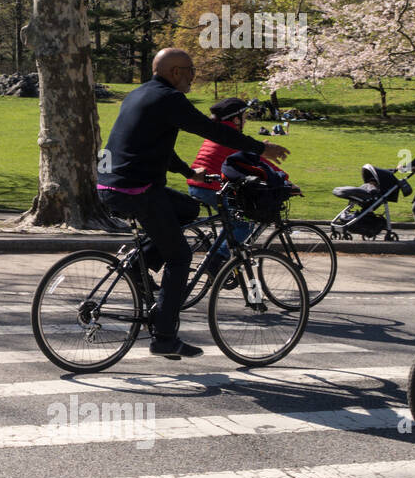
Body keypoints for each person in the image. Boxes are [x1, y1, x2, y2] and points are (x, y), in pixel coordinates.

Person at [97, 49, 289, 359]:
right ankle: (164, 336)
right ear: (174, 72)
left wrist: (189, 171)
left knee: (188, 209)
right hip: (137, 190)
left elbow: (153, 148)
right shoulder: (169, 99)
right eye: (190, 70)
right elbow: (211, 130)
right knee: (180, 256)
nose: (193, 76)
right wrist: (260, 149)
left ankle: (138, 264)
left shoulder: (139, 94)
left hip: (112, 185)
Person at [188, 97, 296, 266]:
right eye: (244, 116)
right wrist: (286, 181)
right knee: (243, 224)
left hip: (199, 184)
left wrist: (257, 148)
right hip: (210, 187)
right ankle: (215, 263)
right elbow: (257, 163)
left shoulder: (220, 132)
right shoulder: (230, 137)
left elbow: (248, 154)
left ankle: (218, 259)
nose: (246, 119)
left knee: (233, 222)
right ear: (236, 119)